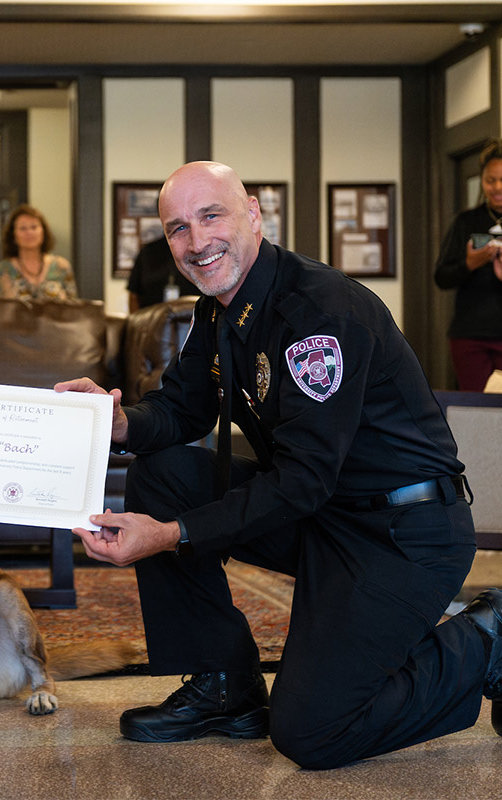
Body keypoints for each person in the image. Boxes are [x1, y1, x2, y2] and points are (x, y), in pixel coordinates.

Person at [56, 161, 502, 771]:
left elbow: (302, 480)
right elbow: (181, 408)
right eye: (178, 228)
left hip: (401, 535)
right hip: (324, 516)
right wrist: (118, 423)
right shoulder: (219, 309)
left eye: (211, 216)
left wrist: (170, 535)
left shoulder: (320, 313)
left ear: (254, 214)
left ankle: (488, 638)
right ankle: (225, 687)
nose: (196, 241)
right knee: (162, 474)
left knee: (312, 732)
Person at [434, 138, 502, 391]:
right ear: (482, 181)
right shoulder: (466, 222)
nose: (497, 187)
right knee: (475, 406)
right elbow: (441, 277)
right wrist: (470, 264)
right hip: (470, 334)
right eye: (490, 180)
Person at [0, 203, 78, 300]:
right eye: (23, 228)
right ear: (13, 235)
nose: (29, 232)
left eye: (34, 227)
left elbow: (73, 305)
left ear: (43, 232)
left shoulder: (61, 267)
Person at [127, 235, 201, 311]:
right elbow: (133, 295)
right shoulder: (147, 252)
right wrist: (136, 318)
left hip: (194, 315)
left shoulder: (199, 250)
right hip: (151, 316)